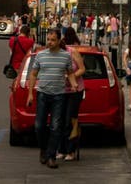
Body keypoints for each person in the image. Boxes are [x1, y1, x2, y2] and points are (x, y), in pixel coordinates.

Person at [26, 28, 78, 170]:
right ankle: (43, 149)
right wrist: (30, 93)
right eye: (48, 39)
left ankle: (51, 156)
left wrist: (74, 84)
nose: (50, 42)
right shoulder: (40, 55)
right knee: (39, 126)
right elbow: (33, 74)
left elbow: (70, 73)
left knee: (56, 126)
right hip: (42, 94)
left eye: (53, 40)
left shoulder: (66, 56)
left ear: (59, 40)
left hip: (59, 96)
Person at [57, 27, 85, 162]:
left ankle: (71, 150)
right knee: (60, 119)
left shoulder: (72, 52)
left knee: (70, 119)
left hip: (75, 90)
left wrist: (70, 76)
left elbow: (82, 69)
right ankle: (61, 149)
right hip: (61, 90)